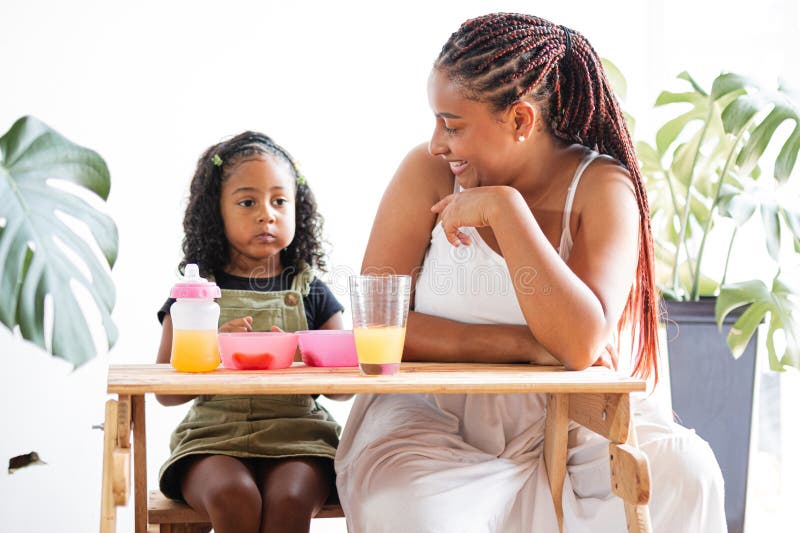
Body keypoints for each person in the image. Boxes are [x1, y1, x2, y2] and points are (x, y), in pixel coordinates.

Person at [335, 13, 726, 533]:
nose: (436, 143)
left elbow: (578, 344)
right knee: (413, 509)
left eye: (452, 125)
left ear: (520, 120)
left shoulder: (602, 187)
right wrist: (522, 345)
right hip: (432, 419)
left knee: (688, 472)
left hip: (574, 422)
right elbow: (376, 326)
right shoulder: (426, 173)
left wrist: (506, 210)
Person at [155, 131, 349, 533]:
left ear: (297, 208)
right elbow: (165, 392)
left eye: (279, 201)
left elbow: (344, 389)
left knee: (290, 499)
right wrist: (210, 351)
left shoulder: (311, 291)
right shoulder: (195, 295)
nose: (267, 214)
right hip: (212, 438)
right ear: (216, 212)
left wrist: (305, 356)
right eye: (248, 202)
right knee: (235, 496)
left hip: (300, 436)